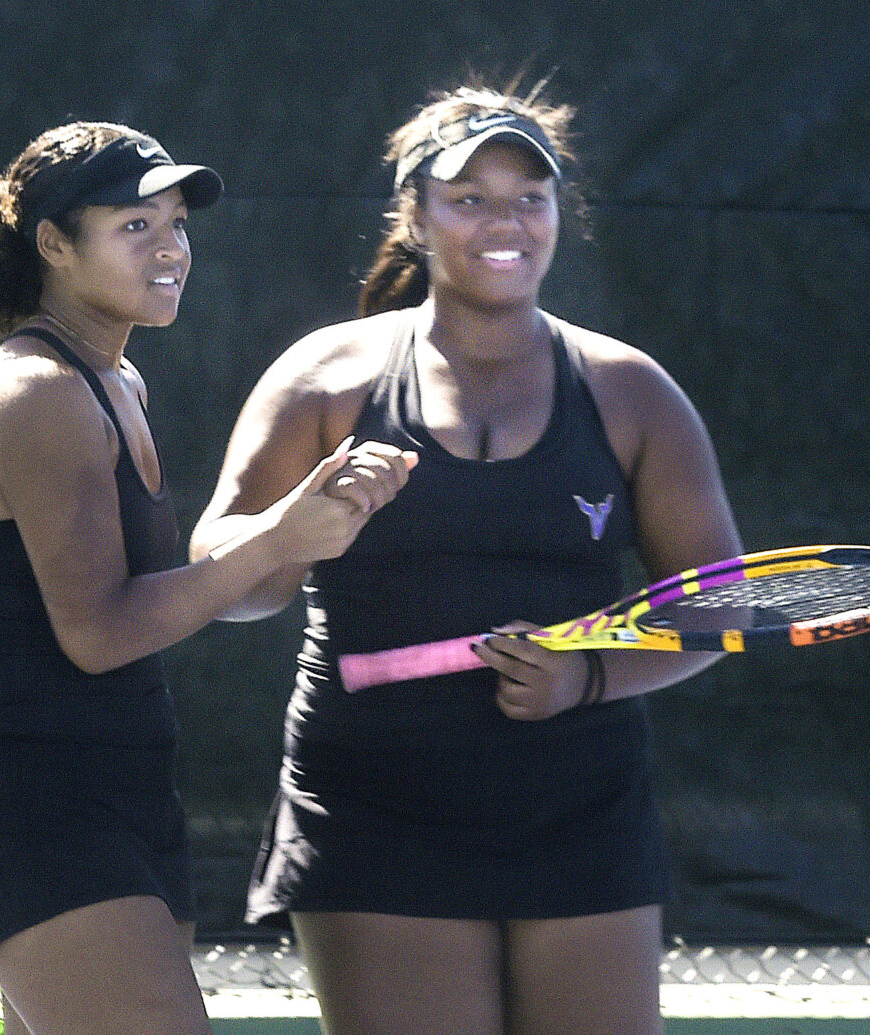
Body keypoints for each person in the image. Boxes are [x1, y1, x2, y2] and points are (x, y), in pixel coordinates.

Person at [189, 82, 743, 1035]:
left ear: (560, 215)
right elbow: (226, 582)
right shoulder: (325, 377)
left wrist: (592, 677)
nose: (507, 222)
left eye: (531, 197)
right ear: (413, 217)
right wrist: (293, 525)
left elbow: (718, 610)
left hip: (584, 818)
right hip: (373, 812)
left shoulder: (631, 392)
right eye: (469, 197)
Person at [0, 120, 412, 1035]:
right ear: (53, 244)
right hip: (35, 808)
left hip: (123, 790)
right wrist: (273, 541)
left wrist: (297, 522)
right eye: (135, 226)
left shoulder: (118, 382)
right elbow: (98, 632)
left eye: (176, 222)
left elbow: (158, 590)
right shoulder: (38, 393)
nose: (171, 248)